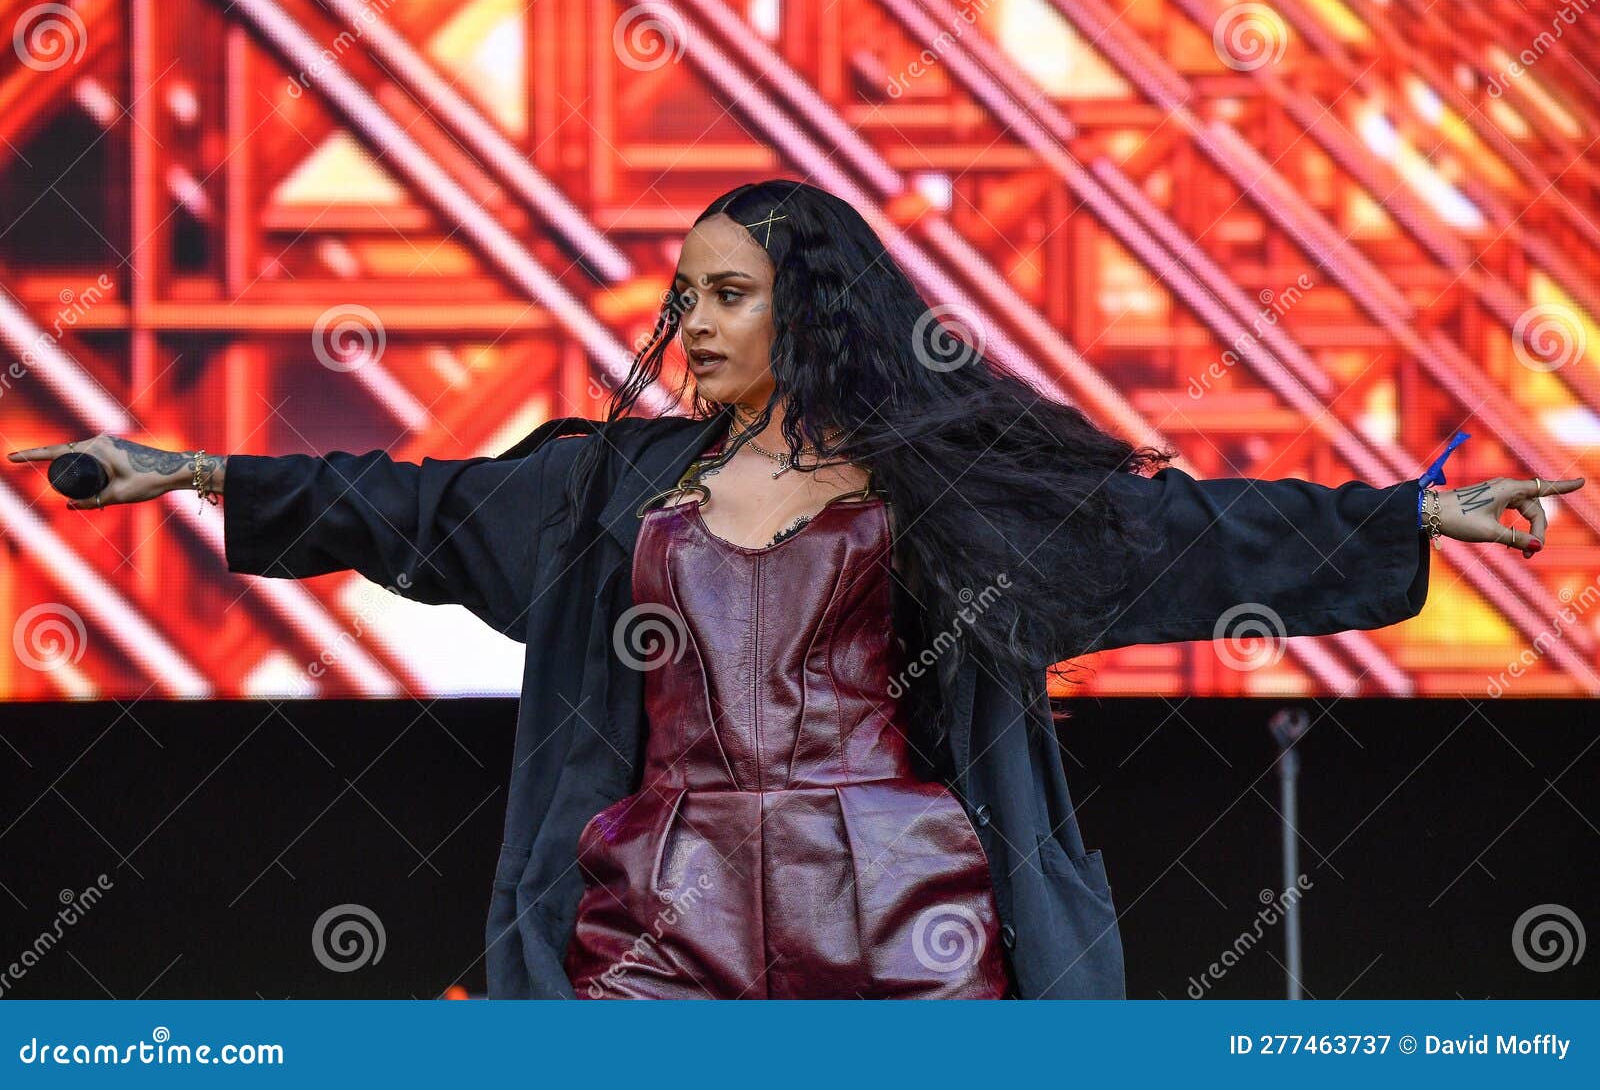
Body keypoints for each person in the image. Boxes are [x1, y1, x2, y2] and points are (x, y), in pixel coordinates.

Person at [6, 179, 1584, 999]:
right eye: (683, 295)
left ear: (808, 311)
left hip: (912, 934)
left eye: (728, 295)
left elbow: (1172, 538)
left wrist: (1414, 517)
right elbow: (402, 500)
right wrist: (190, 470)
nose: (690, 324)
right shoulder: (609, 488)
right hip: (657, 935)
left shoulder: (943, 487)